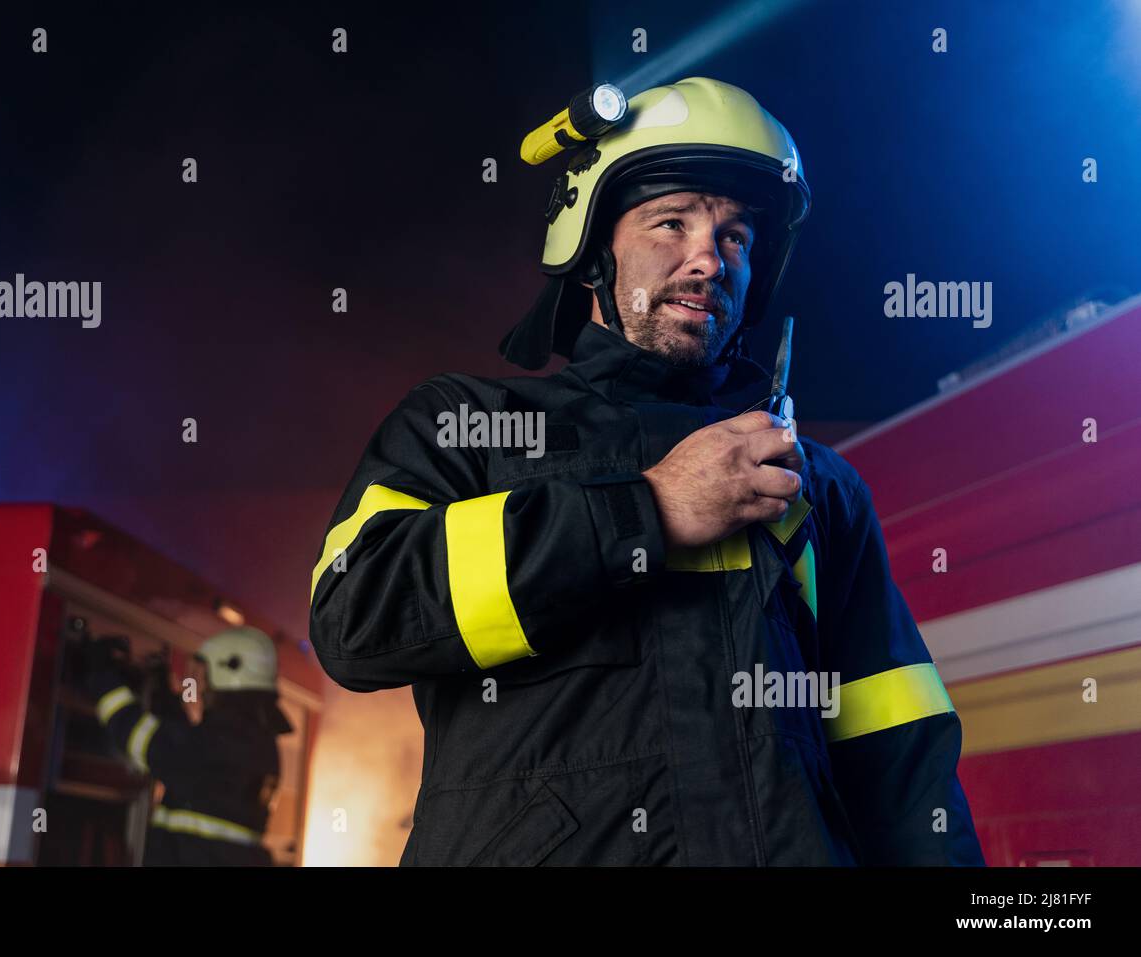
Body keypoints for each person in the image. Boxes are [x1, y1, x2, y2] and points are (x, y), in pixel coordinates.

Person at [308, 76, 984, 866]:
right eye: (672, 222)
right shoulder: (468, 426)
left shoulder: (817, 484)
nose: (708, 258)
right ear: (593, 248)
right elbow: (356, 615)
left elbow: (900, 761)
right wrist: (647, 511)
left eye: (735, 236)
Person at [88, 625, 293, 865]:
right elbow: (191, 761)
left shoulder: (225, 741)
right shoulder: (255, 741)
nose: (199, 684)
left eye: (203, 673)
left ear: (227, 670)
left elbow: (146, 741)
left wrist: (100, 674)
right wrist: (164, 696)